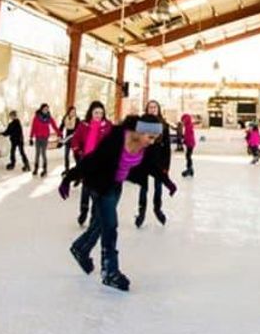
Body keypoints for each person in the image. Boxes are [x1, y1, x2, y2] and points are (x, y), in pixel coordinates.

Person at [60, 115, 165, 292]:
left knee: (100, 223)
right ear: (140, 131)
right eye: (150, 137)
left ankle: (80, 249)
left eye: (155, 138)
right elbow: (93, 159)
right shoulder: (117, 138)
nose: (152, 142)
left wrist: (166, 182)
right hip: (100, 184)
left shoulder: (144, 145)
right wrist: (68, 178)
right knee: (110, 226)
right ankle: (110, 271)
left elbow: (149, 165)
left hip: (116, 185)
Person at [135, 100, 177, 228]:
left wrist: (166, 166)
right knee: (143, 187)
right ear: (147, 109)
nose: (152, 109)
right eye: (150, 107)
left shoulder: (163, 125)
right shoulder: (141, 123)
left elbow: (167, 148)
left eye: (155, 107)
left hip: (158, 161)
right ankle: (141, 212)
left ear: (158, 109)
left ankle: (157, 209)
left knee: (158, 187)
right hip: (143, 160)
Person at [70, 101, 112, 226]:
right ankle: (84, 210)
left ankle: (94, 214)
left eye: (101, 113)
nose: (99, 115)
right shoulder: (84, 125)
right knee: (86, 188)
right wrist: (77, 150)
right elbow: (75, 139)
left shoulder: (107, 126)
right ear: (91, 113)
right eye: (96, 113)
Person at [29, 103, 59, 177]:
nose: (46, 110)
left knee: (43, 153)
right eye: (45, 109)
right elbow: (33, 127)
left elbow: (54, 126)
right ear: (41, 109)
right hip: (38, 138)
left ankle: (44, 169)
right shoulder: (36, 117)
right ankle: (36, 168)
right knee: (37, 153)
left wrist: (59, 133)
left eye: (47, 109)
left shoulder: (49, 117)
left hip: (45, 138)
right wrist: (31, 137)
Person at [60, 106, 80, 177]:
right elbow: (61, 127)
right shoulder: (65, 118)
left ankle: (78, 170)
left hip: (74, 140)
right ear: (69, 112)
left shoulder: (77, 119)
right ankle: (67, 169)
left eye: (74, 112)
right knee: (66, 155)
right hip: (67, 139)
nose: (73, 113)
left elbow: (79, 129)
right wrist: (60, 135)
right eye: (72, 112)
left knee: (76, 156)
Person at [181, 113, 196, 177]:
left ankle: (189, 169)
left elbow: (188, 135)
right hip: (190, 143)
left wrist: (185, 141)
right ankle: (190, 169)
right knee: (188, 156)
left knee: (188, 156)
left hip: (190, 143)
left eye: (183, 120)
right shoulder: (189, 125)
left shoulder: (188, 126)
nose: (183, 122)